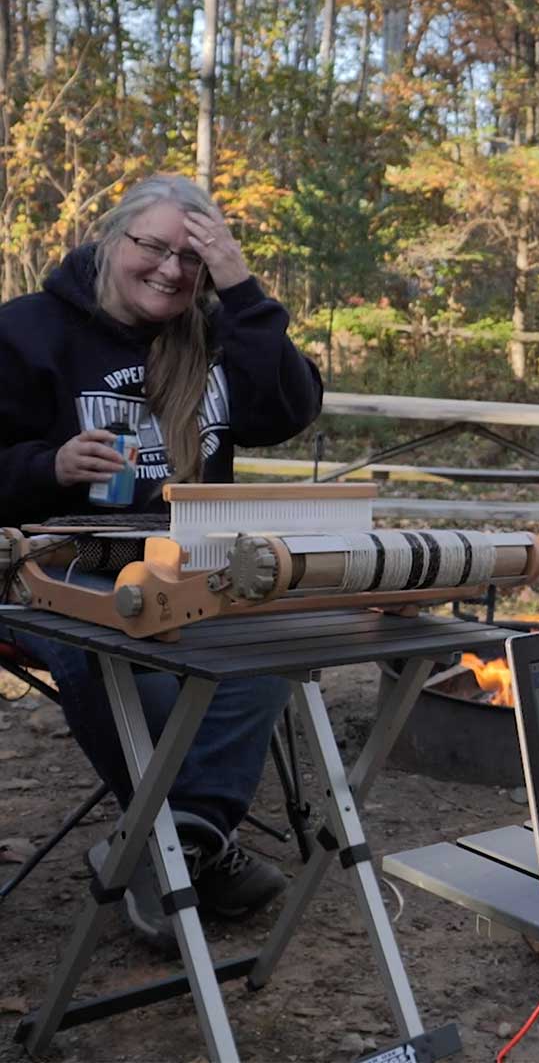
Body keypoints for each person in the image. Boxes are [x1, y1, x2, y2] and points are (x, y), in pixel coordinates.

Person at [0, 174, 324, 951]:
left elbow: (289, 409)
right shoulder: (25, 332)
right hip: (50, 564)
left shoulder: (215, 333)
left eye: (194, 260)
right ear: (111, 238)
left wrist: (241, 288)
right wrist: (48, 466)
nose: (172, 271)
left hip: (191, 564)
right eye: (154, 247)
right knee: (122, 659)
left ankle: (170, 840)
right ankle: (192, 844)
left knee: (265, 643)